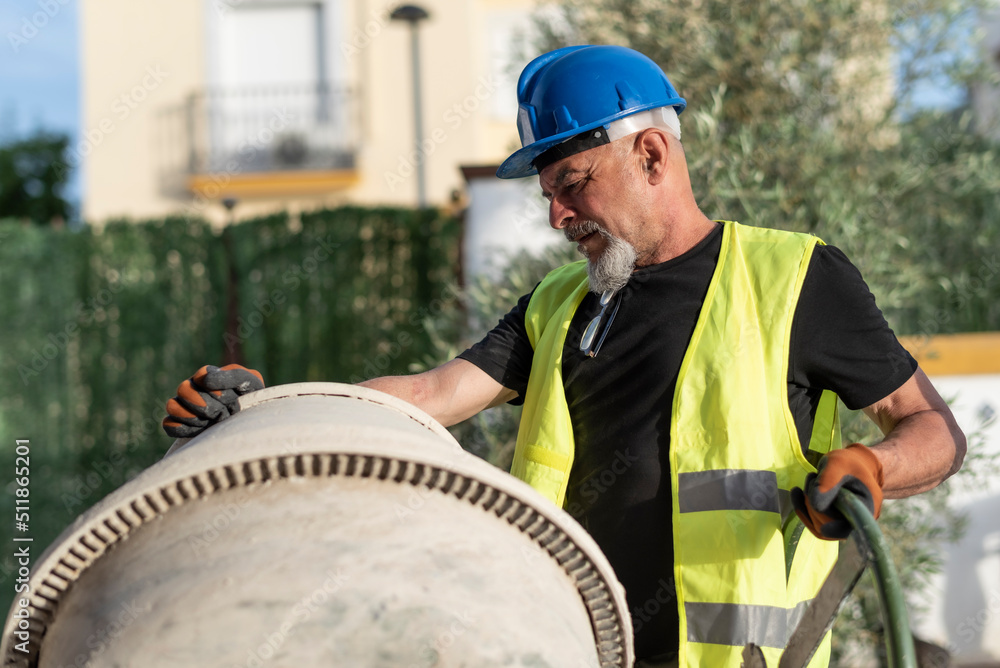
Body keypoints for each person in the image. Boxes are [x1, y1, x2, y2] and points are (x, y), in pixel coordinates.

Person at [163, 45, 966, 667]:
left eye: (573, 183)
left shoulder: (792, 277)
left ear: (652, 155)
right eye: (548, 191)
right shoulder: (560, 304)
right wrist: (270, 412)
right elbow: (432, 392)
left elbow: (932, 428)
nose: (557, 215)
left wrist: (872, 465)